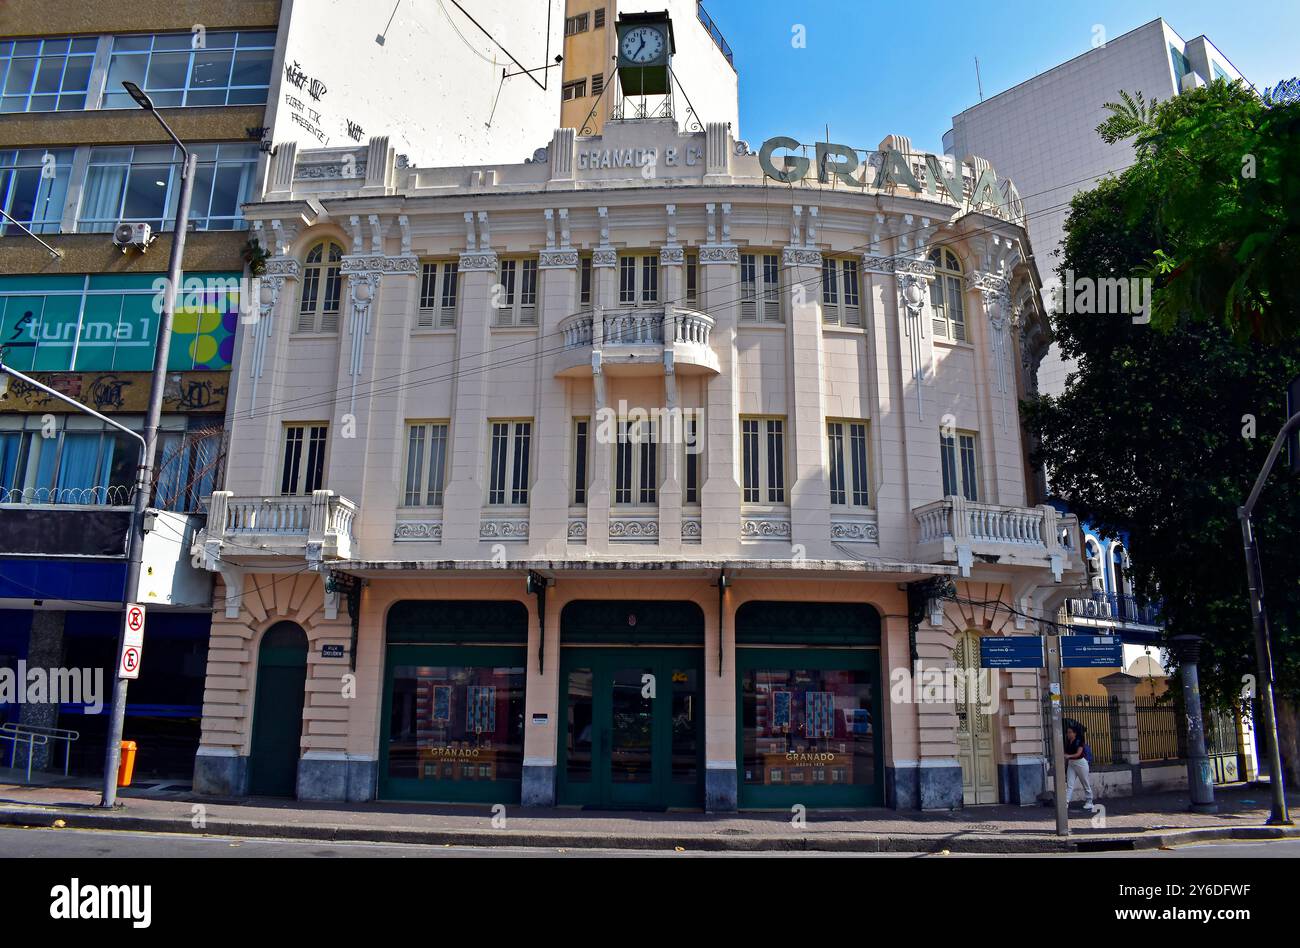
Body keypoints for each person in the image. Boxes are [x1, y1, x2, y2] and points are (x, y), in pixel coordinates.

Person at [1063, 724, 1094, 811]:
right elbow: (1065, 753)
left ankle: (1089, 801)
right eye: (1067, 732)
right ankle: (1066, 802)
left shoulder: (1079, 741)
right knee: (1070, 783)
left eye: (1070, 732)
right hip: (1071, 763)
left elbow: (1078, 753)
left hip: (1080, 763)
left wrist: (1068, 756)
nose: (1068, 734)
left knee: (1085, 782)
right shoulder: (1068, 741)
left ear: (1075, 733)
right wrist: (1066, 758)